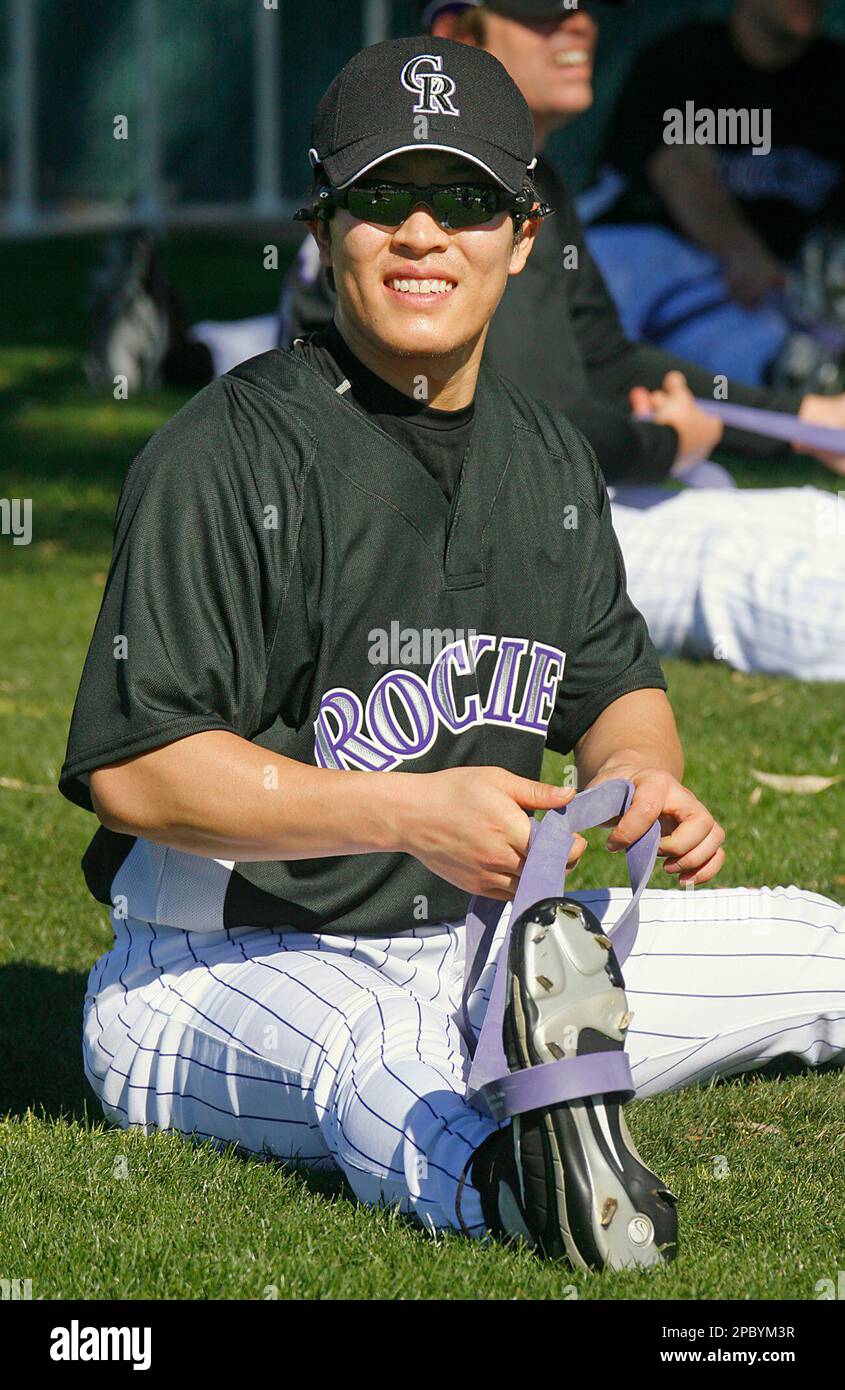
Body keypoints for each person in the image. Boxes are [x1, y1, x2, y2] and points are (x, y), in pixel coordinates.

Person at [60, 37, 845, 1269]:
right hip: (219, 967)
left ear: (522, 237)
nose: (423, 233)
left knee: (816, 941)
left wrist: (641, 775)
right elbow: (138, 772)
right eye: (382, 197)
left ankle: (547, 1083)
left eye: (466, 199)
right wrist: (409, 813)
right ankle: (525, 1186)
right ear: (325, 230)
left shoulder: (547, 459)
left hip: (499, 953)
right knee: (380, 1055)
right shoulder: (224, 455)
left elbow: (617, 688)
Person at [280, 0, 845, 682]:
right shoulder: (451, 209)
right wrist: (669, 445)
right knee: (811, 572)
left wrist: (799, 422)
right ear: (454, 34)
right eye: (541, 12)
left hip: (557, 512)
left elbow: (604, 362)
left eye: (581, 9)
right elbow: (515, 430)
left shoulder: (534, 182)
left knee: (816, 520)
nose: (577, 25)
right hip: (456, 545)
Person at [589, 0, 845, 388]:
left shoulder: (835, 77)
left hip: (776, 288)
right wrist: (744, 255)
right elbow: (681, 171)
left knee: (770, 345)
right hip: (652, 253)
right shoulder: (685, 58)